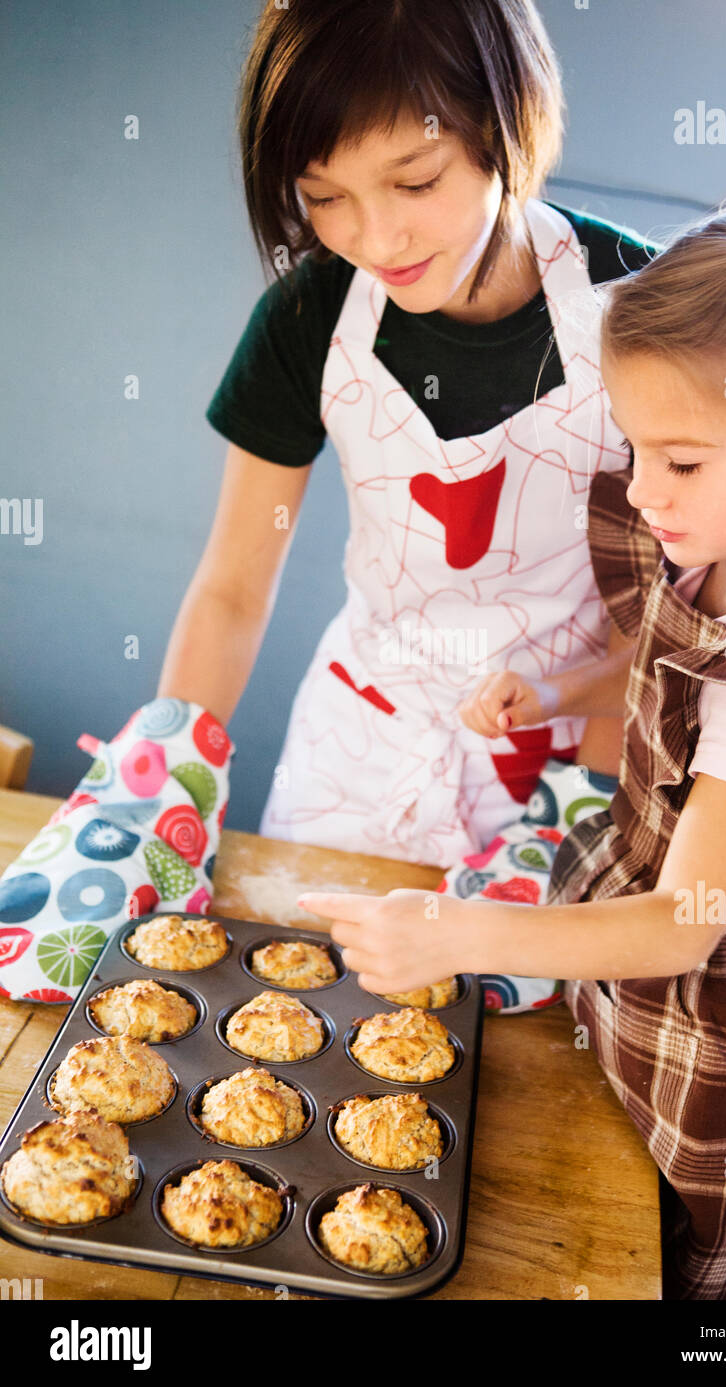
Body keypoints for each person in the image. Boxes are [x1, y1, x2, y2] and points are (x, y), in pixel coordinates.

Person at [298, 196, 726, 1300]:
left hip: (718, 1024)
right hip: (645, 957)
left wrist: (462, 932)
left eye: (683, 462)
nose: (644, 489)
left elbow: (680, 925)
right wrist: (554, 690)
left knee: (666, 1248)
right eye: (634, 447)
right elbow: (663, 658)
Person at [158, 0, 656, 868]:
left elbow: (655, 616)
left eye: (416, 180)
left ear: (508, 126)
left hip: (563, 752)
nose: (376, 237)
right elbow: (233, 588)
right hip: (355, 750)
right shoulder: (309, 318)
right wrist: (164, 780)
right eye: (325, 197)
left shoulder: (643, 310)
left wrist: (583, 796)